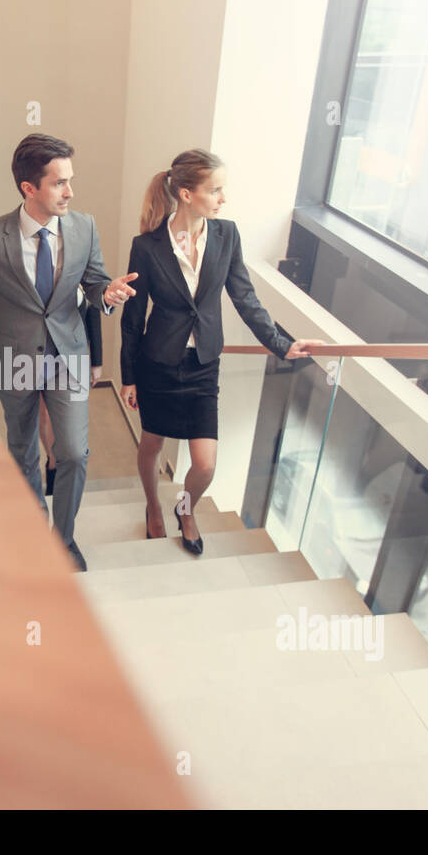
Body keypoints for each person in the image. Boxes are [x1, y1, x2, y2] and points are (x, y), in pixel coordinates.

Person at [0, 134, 137, 571]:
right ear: (29, 188)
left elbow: (93, 283)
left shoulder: (84, 227)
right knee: (23, 451)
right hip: (14, 362)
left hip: (68, 357)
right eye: (59, 183)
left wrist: (107, 293)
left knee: (71, 452)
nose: (70, 192)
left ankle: (63, 540)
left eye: (71, 181)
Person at [119, 149, 324, 554]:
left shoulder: (227, 235)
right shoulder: (146, 246)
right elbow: (132, 316)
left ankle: (184, 507)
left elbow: (245, 297)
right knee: (152, 443)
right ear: (185, 194)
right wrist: (128, 375)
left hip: (203, 365)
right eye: (215, 190)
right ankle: (153, 508)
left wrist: (282, 344)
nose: (222, 199)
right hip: (157, 363)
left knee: (206, 463)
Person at [0, 287, 103, 496]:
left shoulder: (82, 269)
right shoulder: (36, 279)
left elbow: (94, 313)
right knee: (43, 415)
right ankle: (52, 462)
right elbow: (13, 323)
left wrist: (97, 361)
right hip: (35, 355)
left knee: (62, 421)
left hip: (69, 359)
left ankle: (55, 464)